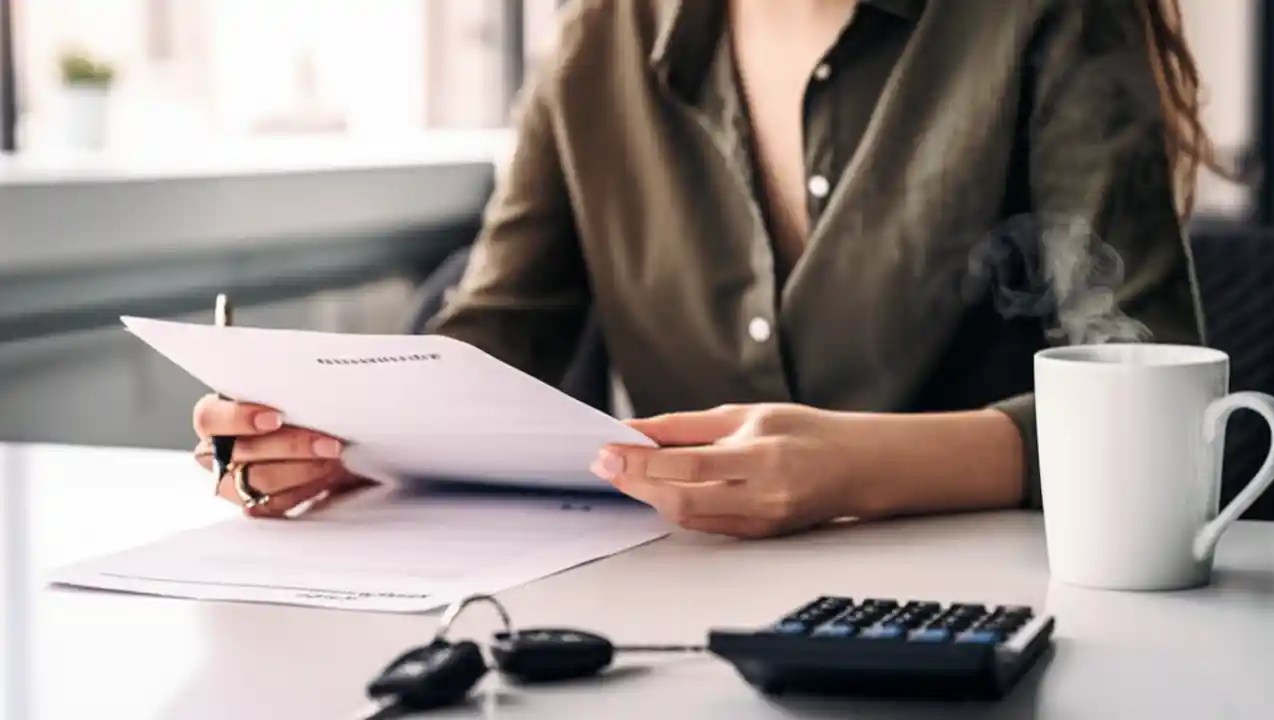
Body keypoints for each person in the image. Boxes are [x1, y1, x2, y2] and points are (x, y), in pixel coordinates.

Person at [194, 0, 1212, 537]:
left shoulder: (1046, 14)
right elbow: (497, 334)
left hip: (998, 613)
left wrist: (859, 467)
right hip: (671, 628)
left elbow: (1155, 407)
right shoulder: (597, 38)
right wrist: (331, 436)